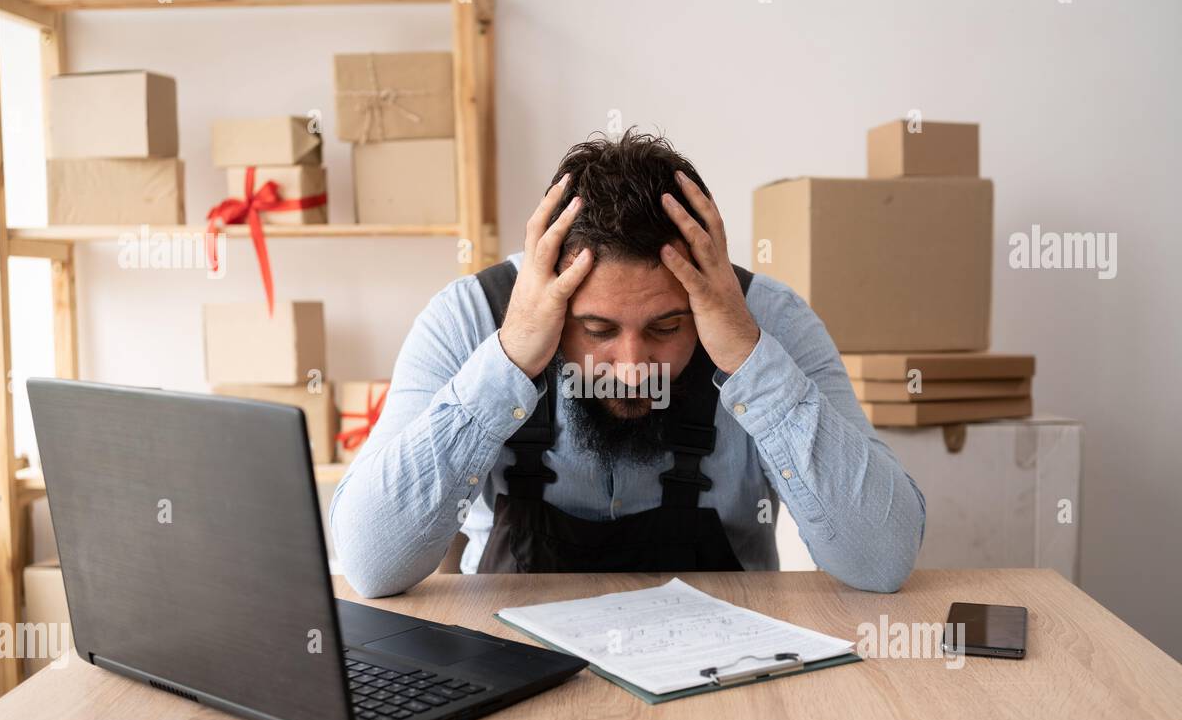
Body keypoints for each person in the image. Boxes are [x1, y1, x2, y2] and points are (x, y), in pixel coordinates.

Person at [331, 129, 925, 595]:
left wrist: (749, 357)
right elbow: (372, 564)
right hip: (515, 673)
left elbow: (880, 560)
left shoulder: (771, 319)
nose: (633, 364)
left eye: (667, 326)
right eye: (597, 329)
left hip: (727, 673)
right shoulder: (471, 316)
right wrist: (509, 359)